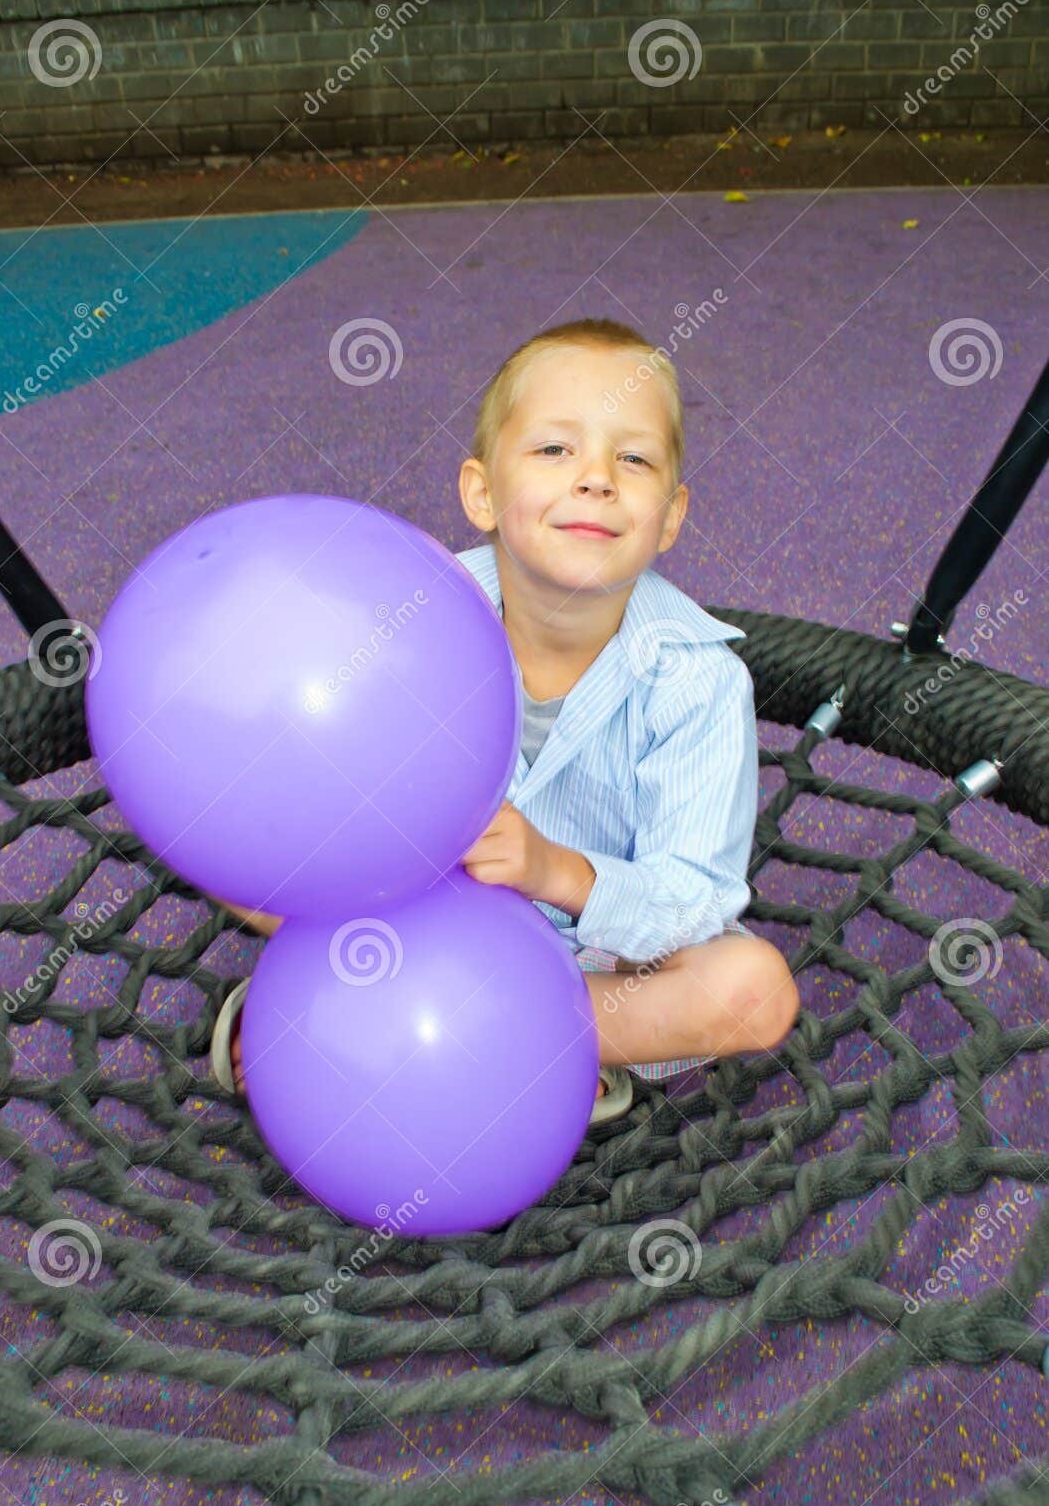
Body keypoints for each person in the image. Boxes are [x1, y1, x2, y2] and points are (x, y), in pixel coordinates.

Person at [211, 316, 799, 1125]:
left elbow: (698, 896)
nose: (595, 478)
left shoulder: (697, 682)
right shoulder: (410, 616)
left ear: (669, 515)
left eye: (632, 458)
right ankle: (350, 987)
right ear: (481, 493)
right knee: (228, 835)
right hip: (410, 918)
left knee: (753, 990)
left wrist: (557, 872)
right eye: (555, 450)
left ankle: (519, 1032)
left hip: (591, 960)